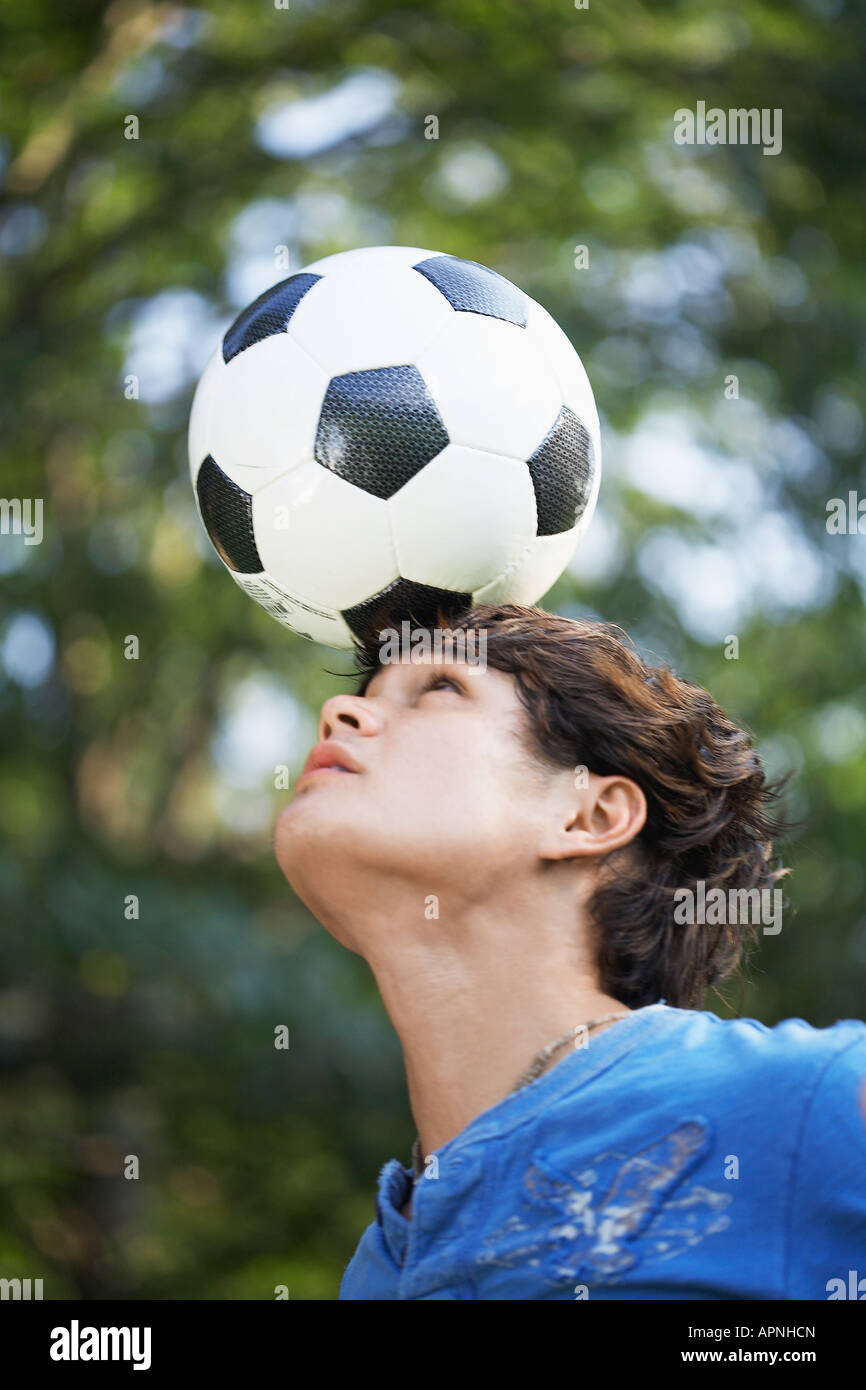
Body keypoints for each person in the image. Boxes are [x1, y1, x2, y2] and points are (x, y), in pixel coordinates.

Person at [274, 603, 866, 1300]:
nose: (340, 711)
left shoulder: (807, 1102)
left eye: (440, 688)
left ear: (590, 815)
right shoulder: (376, 1273)